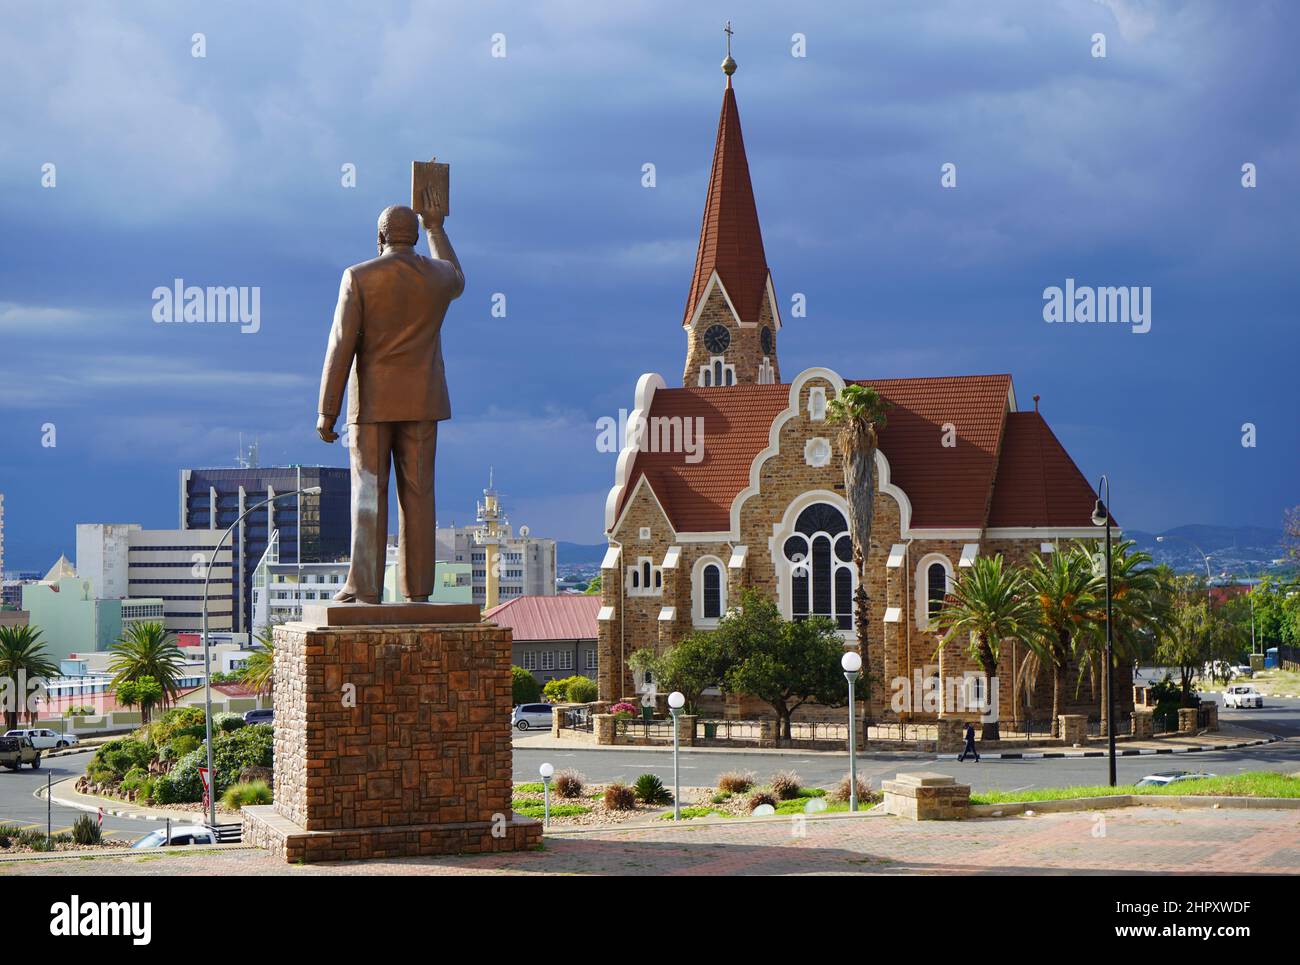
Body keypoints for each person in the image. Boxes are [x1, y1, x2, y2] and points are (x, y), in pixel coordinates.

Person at [317, 188, 464, 603]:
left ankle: (363, 589)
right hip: (423, 402)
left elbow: (341, 344)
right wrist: (436, 226)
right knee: (419, 494)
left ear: (379, 237)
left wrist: (327, 410)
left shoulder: (359, 276)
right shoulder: (438, 277)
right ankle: (418, 592)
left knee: (368, 491)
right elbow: (457, 275)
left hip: (374, 405)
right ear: (414, 236)